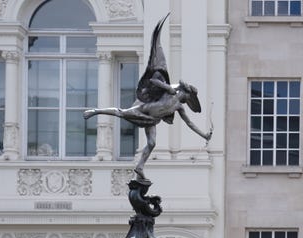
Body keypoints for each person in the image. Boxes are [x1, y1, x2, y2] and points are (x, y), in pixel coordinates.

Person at [83, 15, 211, 177]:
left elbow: (190, 124)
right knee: (121, 112)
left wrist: (204, 135)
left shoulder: (179, 107)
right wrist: (167, 87)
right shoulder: (171, 90)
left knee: (151, 143)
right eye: (190, 96)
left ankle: (140, 167)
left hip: (151, 120)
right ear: (185, 92)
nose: (189, 100)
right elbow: (153, 80)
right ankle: (95, 111)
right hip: (143, 110)